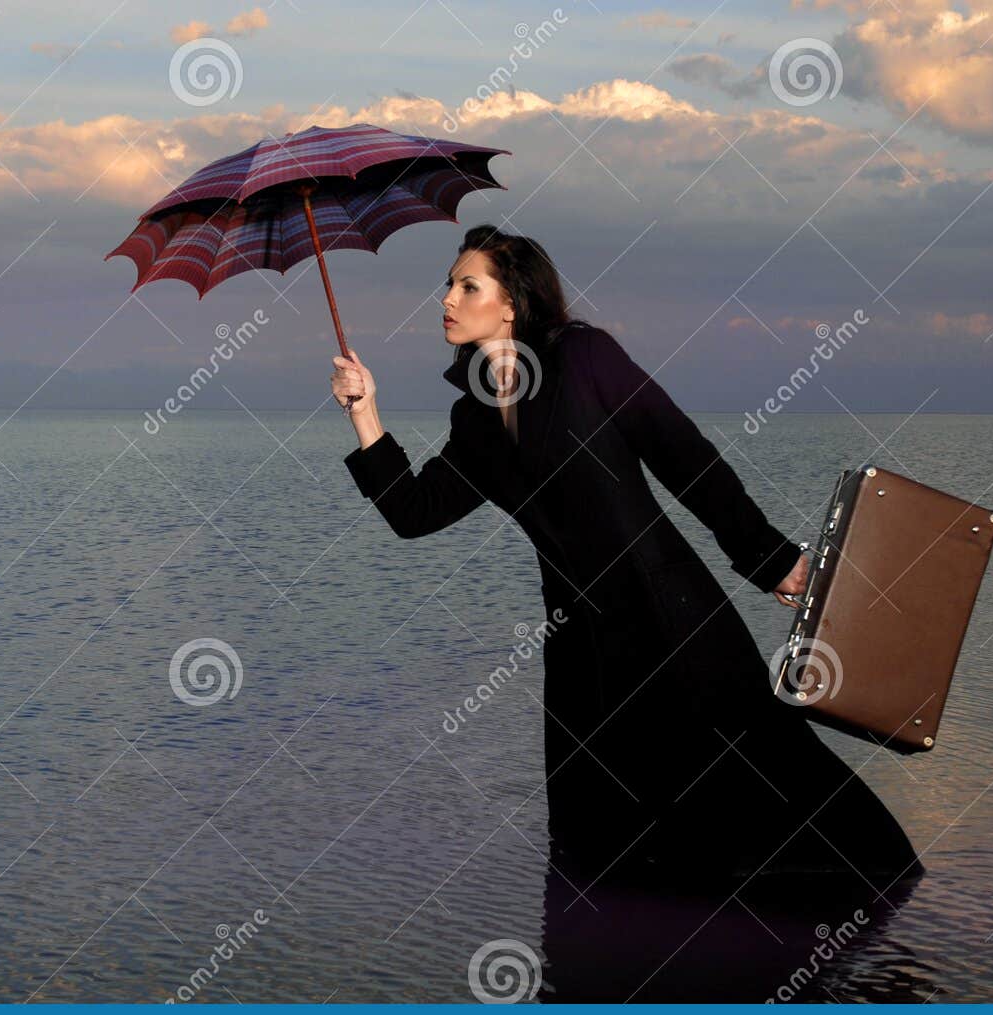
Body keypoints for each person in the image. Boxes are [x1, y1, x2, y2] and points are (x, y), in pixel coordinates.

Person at [332, 224, 923, 887]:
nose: (447, 297)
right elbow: (415, 513)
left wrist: (770, 558)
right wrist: (366, 414)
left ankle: (879, 938)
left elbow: (684, 456)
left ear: (510, 302)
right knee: (597, 834)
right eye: (448, 285)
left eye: (467, 284)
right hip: (580, 651)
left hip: (671, 620)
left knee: (773, 783)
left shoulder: (585, 357)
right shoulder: (474, 420)